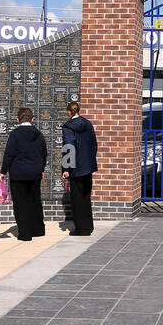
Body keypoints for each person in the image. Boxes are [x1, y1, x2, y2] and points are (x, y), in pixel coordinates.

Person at [0, 107, 47, 241]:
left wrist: (3, 171)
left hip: (19, 174)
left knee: (21, 203)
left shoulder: (15, 134)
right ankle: (38, 230)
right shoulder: (39, 134)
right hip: (35, 172)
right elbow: (44, 153)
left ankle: (25, 234)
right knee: (35, 201)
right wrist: (42, 169)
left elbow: (9, 154)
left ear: (18, 120)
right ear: (32, 119)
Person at [60, 101, 98, 236]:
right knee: (86, 197)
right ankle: (88, 227)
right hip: (87, 167)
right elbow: (94, 144)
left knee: (77, 200)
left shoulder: (68, 126)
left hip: (76, 169)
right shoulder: (88, 124)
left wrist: (66, 169)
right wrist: (90, 161)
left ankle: (81, 229)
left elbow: (68, 147)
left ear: (69, 112)